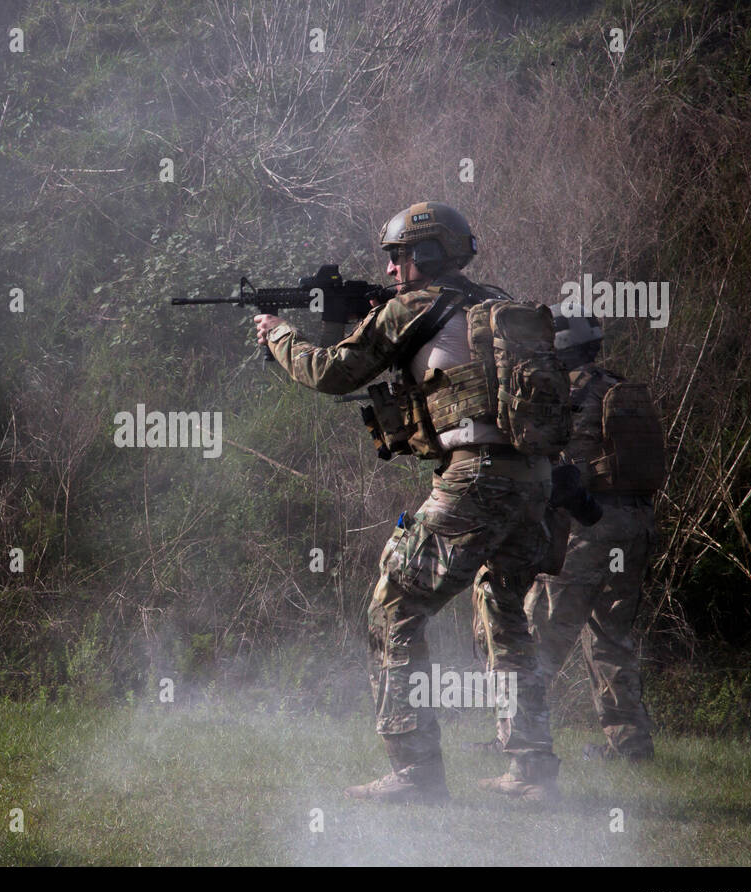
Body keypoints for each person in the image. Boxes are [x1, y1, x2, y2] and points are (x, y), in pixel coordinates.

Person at [254, 201, 564, 803]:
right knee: (505, 616)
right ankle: (532, 772)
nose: (393, 270)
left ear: (426, 254)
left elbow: (332, 373)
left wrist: (279, 336)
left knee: (392, 607)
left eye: (399, 257)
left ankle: (415, 774)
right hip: (534, 481)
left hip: (474, 478)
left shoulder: (412, 308)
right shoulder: (489, 302)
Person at [470, 309, 663, 760]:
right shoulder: (616, 386)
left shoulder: (569, 390)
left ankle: (516, 740)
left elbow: (544, 454)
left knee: (536, 636)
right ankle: (630, 744)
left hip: (588, 527)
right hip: (636, 525)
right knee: (610, 636)